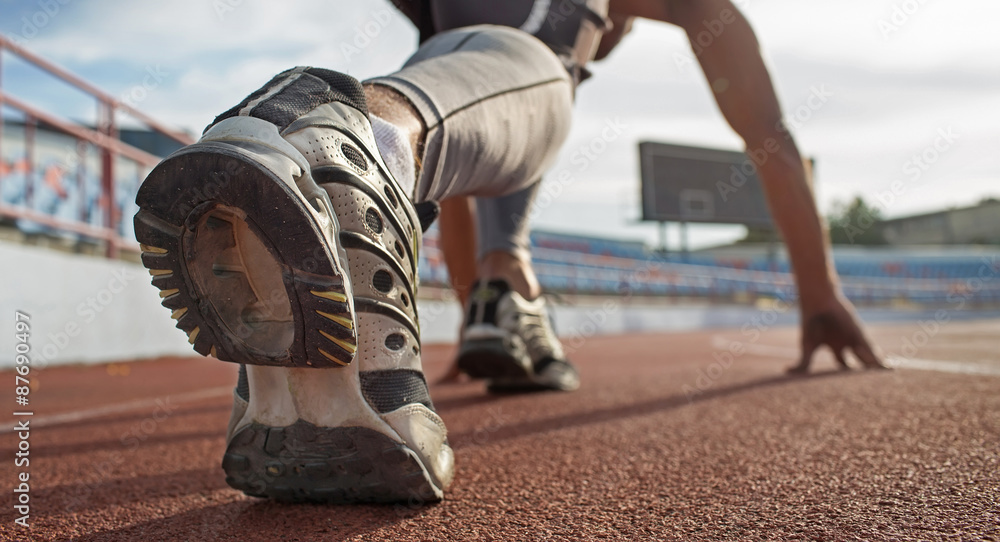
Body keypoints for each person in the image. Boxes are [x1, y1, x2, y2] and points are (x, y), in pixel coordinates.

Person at [133, 0, 883, 504]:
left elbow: (467, 175)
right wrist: (819, 292)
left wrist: (476, 309)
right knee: (544, 70)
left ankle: (446, 284)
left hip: (453, 70)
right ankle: (350, 134)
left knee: (479, 107)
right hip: (466, 73)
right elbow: (771, 139)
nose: (611, 40)